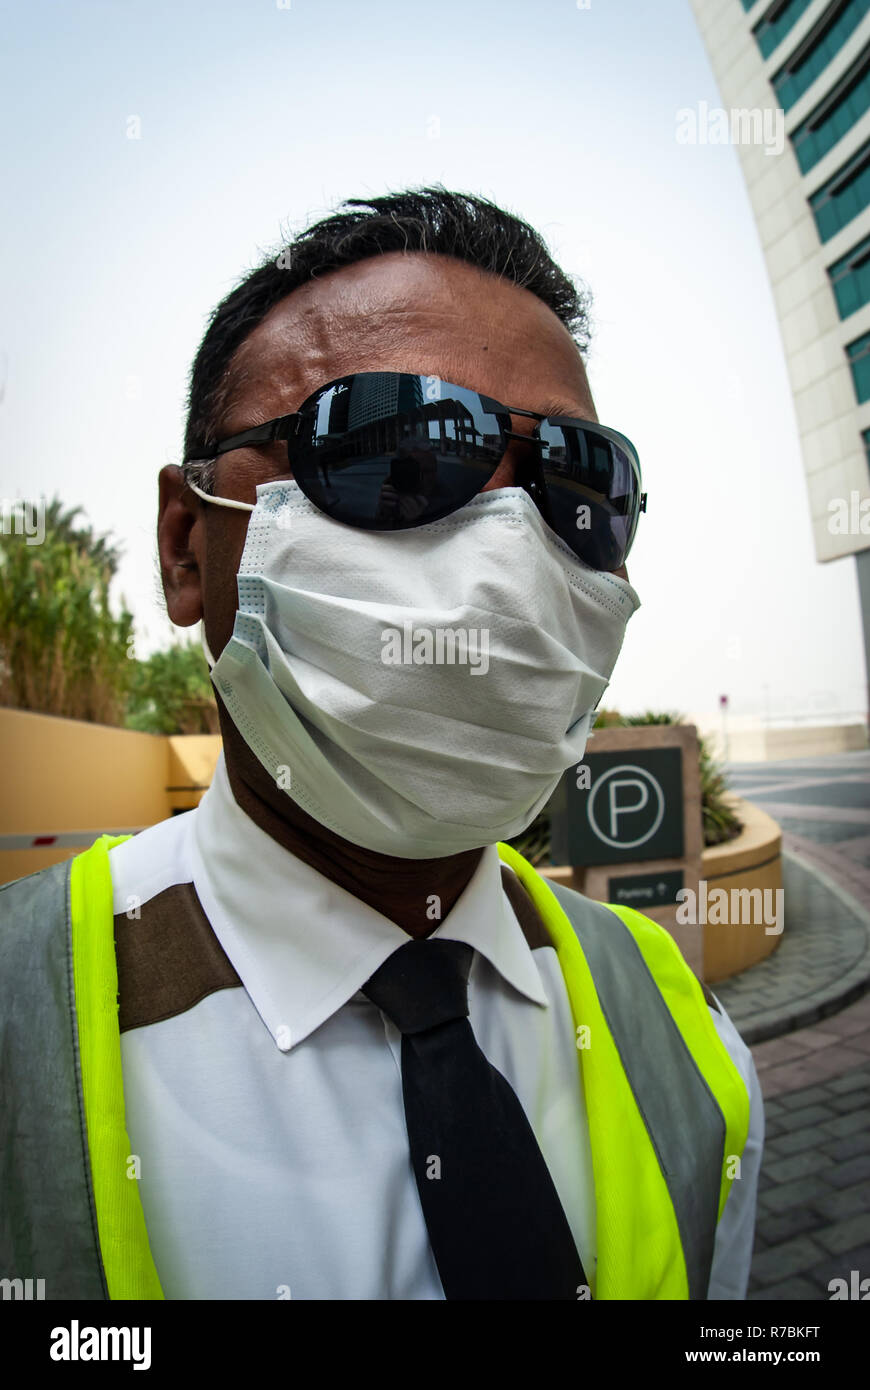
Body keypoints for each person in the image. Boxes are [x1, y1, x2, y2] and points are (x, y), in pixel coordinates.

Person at [0, 186, 763, 1301]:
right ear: (185, 545)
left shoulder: (689, 1043)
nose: (510, 557)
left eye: (578, 480)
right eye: (394, 446)